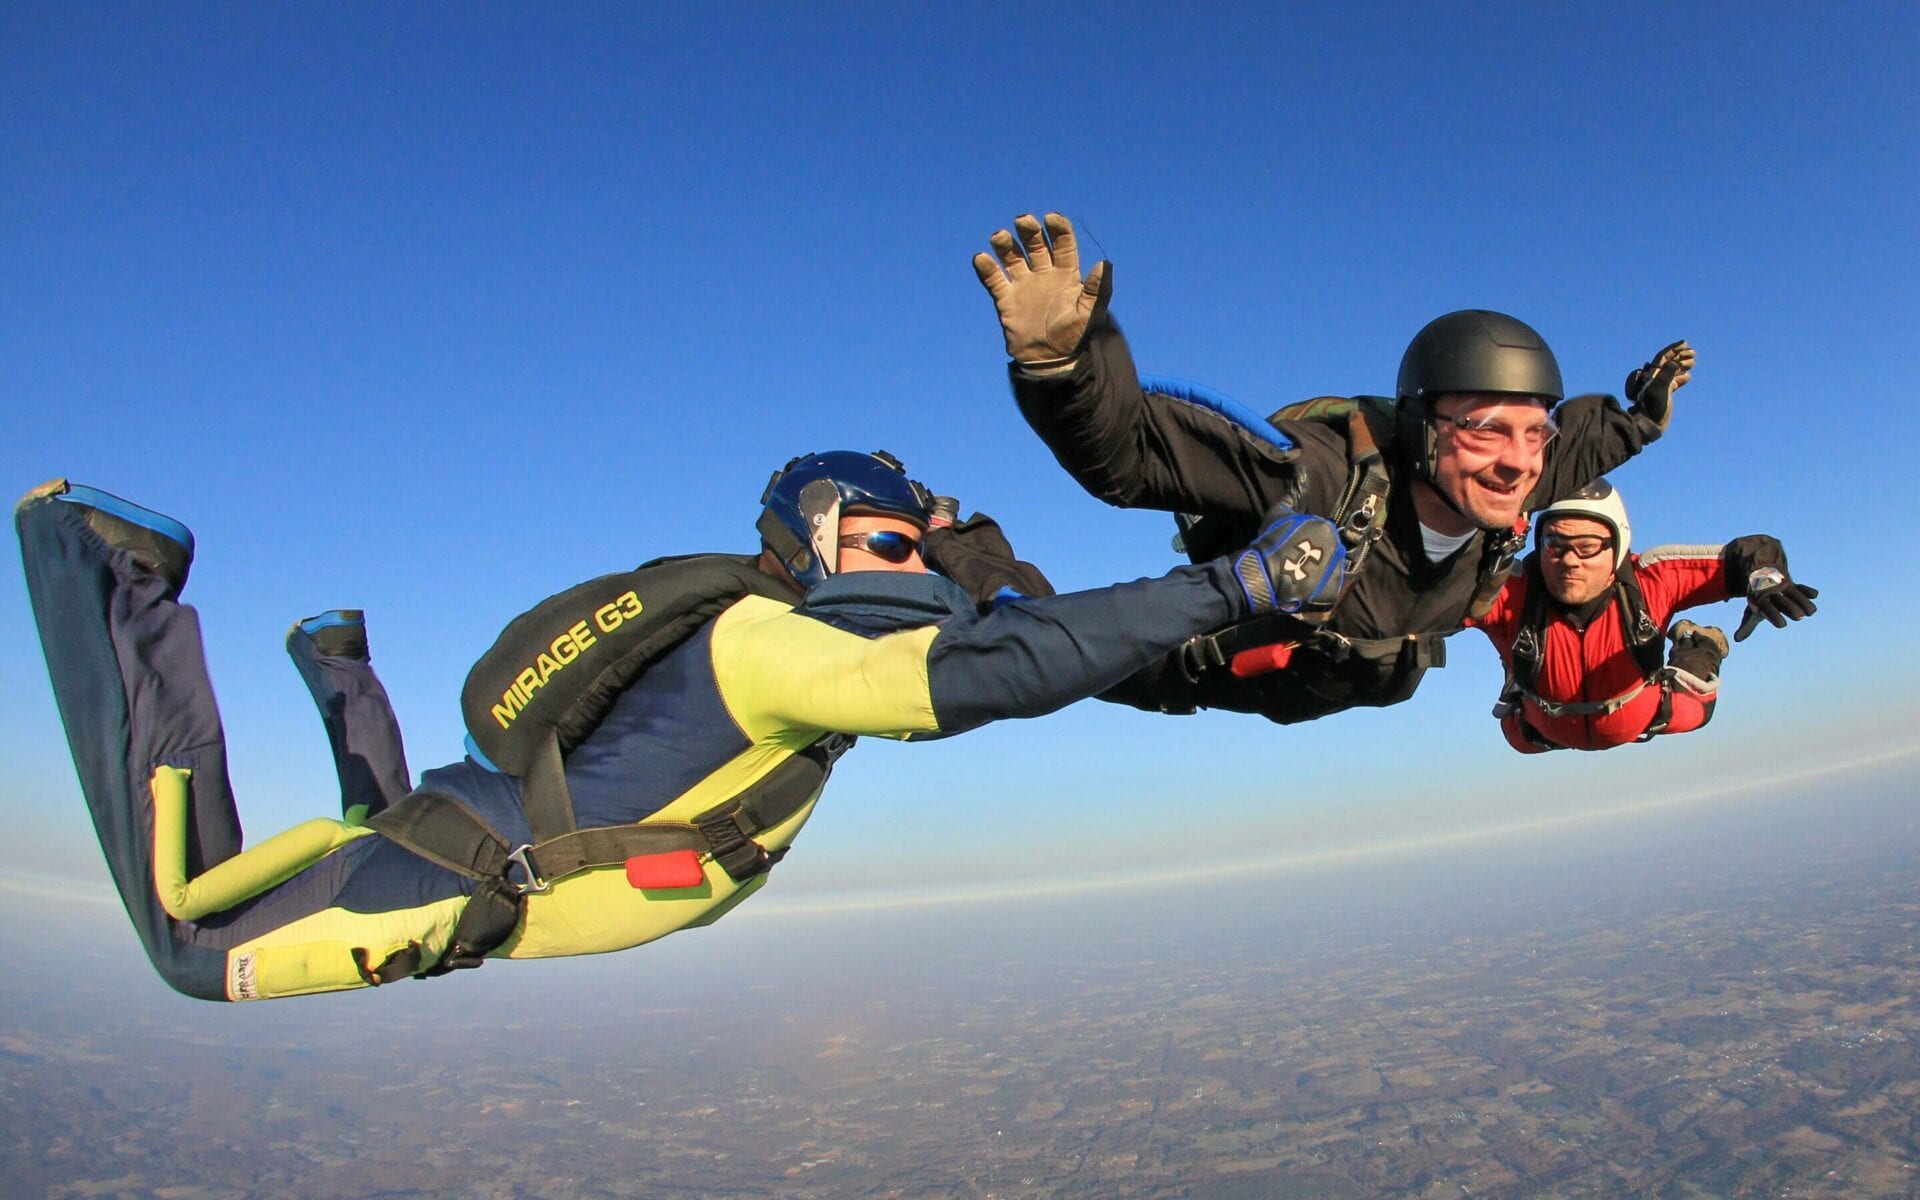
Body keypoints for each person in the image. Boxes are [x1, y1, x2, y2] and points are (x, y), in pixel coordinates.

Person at [17, 452, 1345, 1002]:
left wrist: (988, 575)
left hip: (478, 847)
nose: (916, 563)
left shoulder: (812, 640)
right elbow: (1001, 671)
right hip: (474, 872)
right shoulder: (773, 645)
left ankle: (337, 666)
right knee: (191, 945)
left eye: (921, 544)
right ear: (813, 547)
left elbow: (1019, 637)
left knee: (371, 832)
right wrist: (1229, 585)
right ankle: (106, 569)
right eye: (887, 539)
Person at [971, 212, 1693, 725]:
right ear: (1420, 430)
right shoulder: (1319, 478)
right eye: (1485, 429)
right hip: (1226, 663)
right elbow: (1132, 459)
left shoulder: (1516, 476)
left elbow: (1585, 446)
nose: (1518, 462)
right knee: (1050, 651)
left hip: (1362, 676)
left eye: (1535, 432)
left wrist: (1642, 416)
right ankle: (964, 553)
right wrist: (1063, 368)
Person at [1467, 479, 1818, 753]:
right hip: (1537, 727)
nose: (1570, 560)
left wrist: (1764, 577)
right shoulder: (1505, 589)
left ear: (1617, 549)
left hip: (1643, 714)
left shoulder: (1651, 579)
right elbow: (1432, 595)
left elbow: (1748, 553)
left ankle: (1700, 643)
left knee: (1698, 711)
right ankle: (1519, 675)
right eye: (1554, 545)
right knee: (1518, 737)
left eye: (1588, 547)